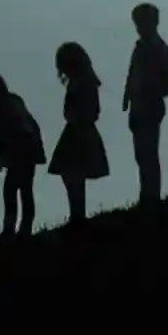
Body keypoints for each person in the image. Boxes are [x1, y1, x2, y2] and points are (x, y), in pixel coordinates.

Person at [0, 71, 46, 239]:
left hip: (20, 151)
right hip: (23, 150)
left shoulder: (3, 106)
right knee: (20, 190)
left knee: (16, 190)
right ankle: (19, 227)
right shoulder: (10, 101)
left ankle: (17, 228)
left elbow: (15, 130)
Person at [48, 42, 110, 227]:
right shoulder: (82, 81)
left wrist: (77, 118)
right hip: (78, 129)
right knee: (72, 174)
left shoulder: (84, 82)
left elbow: (92, 110)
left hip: (79, 130)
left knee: (73, 173)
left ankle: (77, 215)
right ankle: (77, 214)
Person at [123, 2, 168, 208]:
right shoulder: (141, 47)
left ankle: (151, 195)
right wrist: (128, 97)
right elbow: (132, 73)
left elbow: (163, 84)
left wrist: (147, 93)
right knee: (141, 154)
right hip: (139, 106)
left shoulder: (157, 48)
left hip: (150, 105)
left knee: (148, 153)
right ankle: (147, 193)